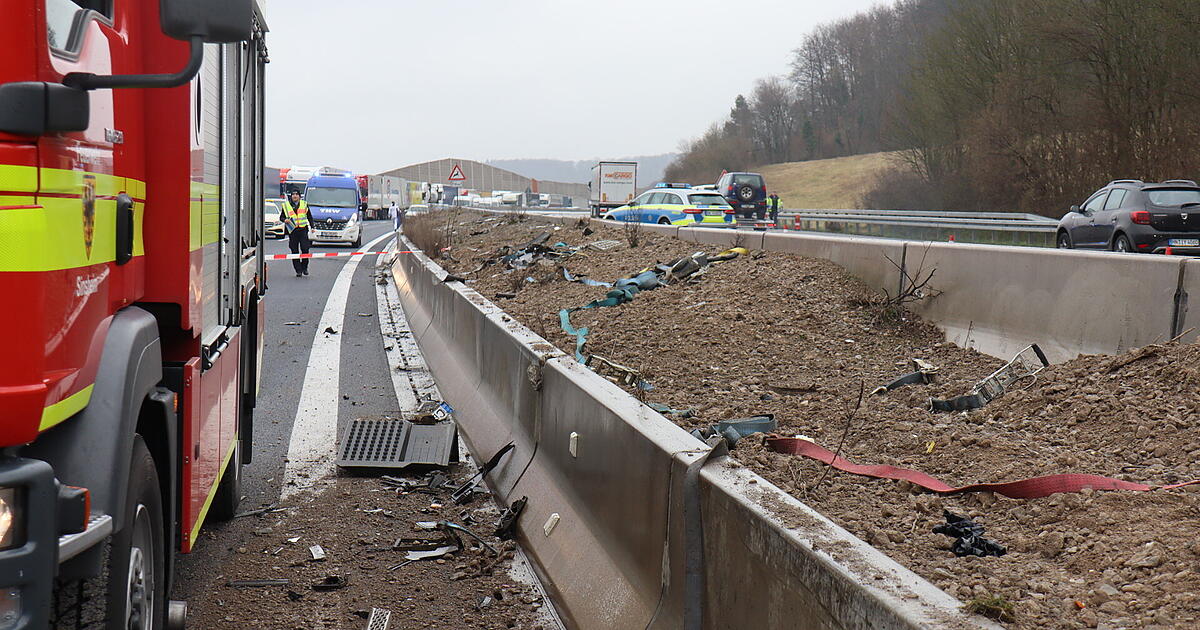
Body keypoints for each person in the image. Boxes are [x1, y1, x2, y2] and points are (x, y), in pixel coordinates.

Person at [281, 188, 313, 277]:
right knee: (294, 251)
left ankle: (304, 267)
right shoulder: (286, 206)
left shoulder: (304, 204)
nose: (294, 196)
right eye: (293, 194)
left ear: (299, 196)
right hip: (293, 231)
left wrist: (313, 227)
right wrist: (285, 220)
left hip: (303, 230)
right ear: (291, 196)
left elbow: (309, 217)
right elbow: (281, 217)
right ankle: (298, 270)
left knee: (305, 249)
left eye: (296, 194)